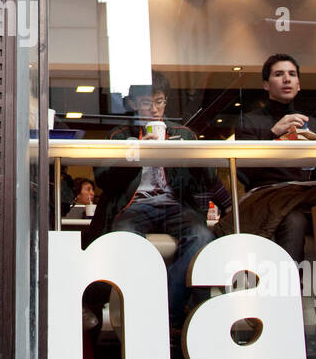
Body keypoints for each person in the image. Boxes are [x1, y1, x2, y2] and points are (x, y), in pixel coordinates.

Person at [90, 71, 228, 329]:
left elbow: (207, 177)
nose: (154, 109)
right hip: (135, 206)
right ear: (132, 104)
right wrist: (137, 155)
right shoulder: (119, 134)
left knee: (201, 236)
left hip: (175, 206)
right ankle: (153, 310)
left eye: (160, 101)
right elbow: (104, 180)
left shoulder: (184, 134)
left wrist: (184, 154)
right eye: (146, 103)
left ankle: (163, 313)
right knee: (125, 235)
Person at [234, 53, 316, 262]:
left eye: (292, 74)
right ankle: (290, 290)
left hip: (306, 200)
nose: (286, 79)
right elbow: (244, 174)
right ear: (266, 85)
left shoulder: (313, 125)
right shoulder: (249, 122)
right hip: (267, 200)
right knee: (294, 220)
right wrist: (272, 134)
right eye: (279, 74)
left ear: (299, 84)